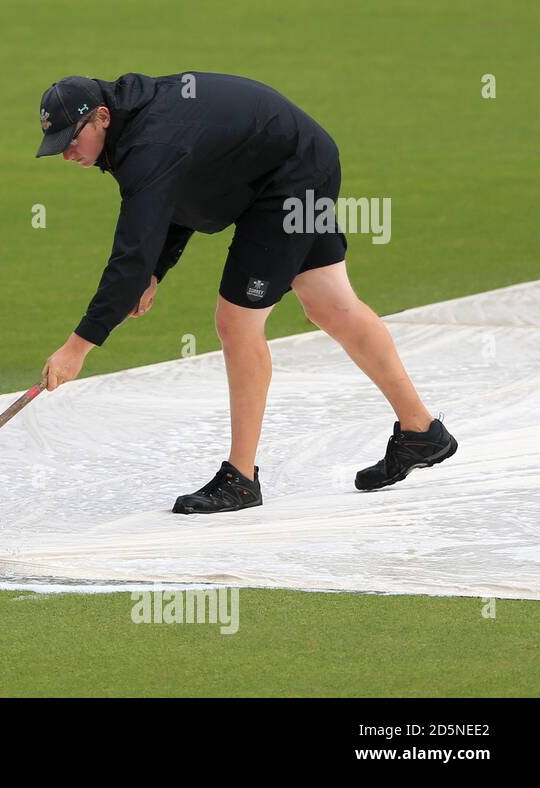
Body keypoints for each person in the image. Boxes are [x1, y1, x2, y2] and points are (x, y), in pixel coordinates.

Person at [35, 73, 457, 514]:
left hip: (286, 182)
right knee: (332, 306)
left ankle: (241, 479)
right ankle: (420, 431)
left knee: (237, 322)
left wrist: (77, 346)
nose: (66, 153)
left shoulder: (150, 143)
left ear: (101, 117)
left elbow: (130, 255)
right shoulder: (136, 128)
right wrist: (154, 272)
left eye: (71, 139)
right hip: (299, 160)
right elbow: (176, 197)